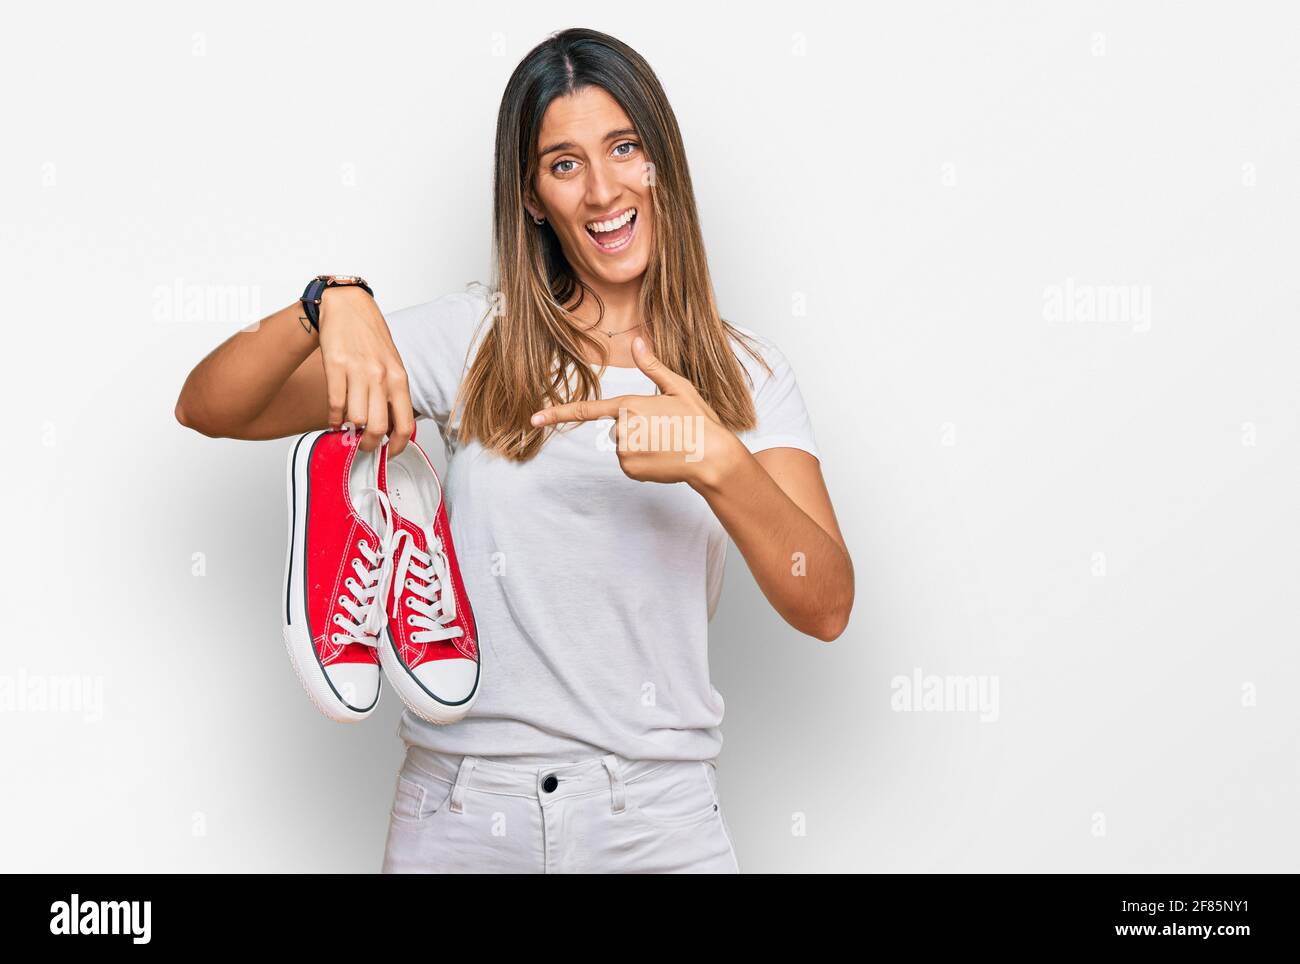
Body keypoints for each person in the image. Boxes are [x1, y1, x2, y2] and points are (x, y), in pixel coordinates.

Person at [174, 27, 854, 873]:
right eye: (564, 163)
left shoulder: (747, 372)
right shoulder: (475, 341)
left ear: (661, 163)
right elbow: (210, 406)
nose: (604, 190)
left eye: (624, 147)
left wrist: (718, 461)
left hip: (656, 823)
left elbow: (824, 604)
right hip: (461, 810)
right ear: (532, 195)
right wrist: (328, 301)